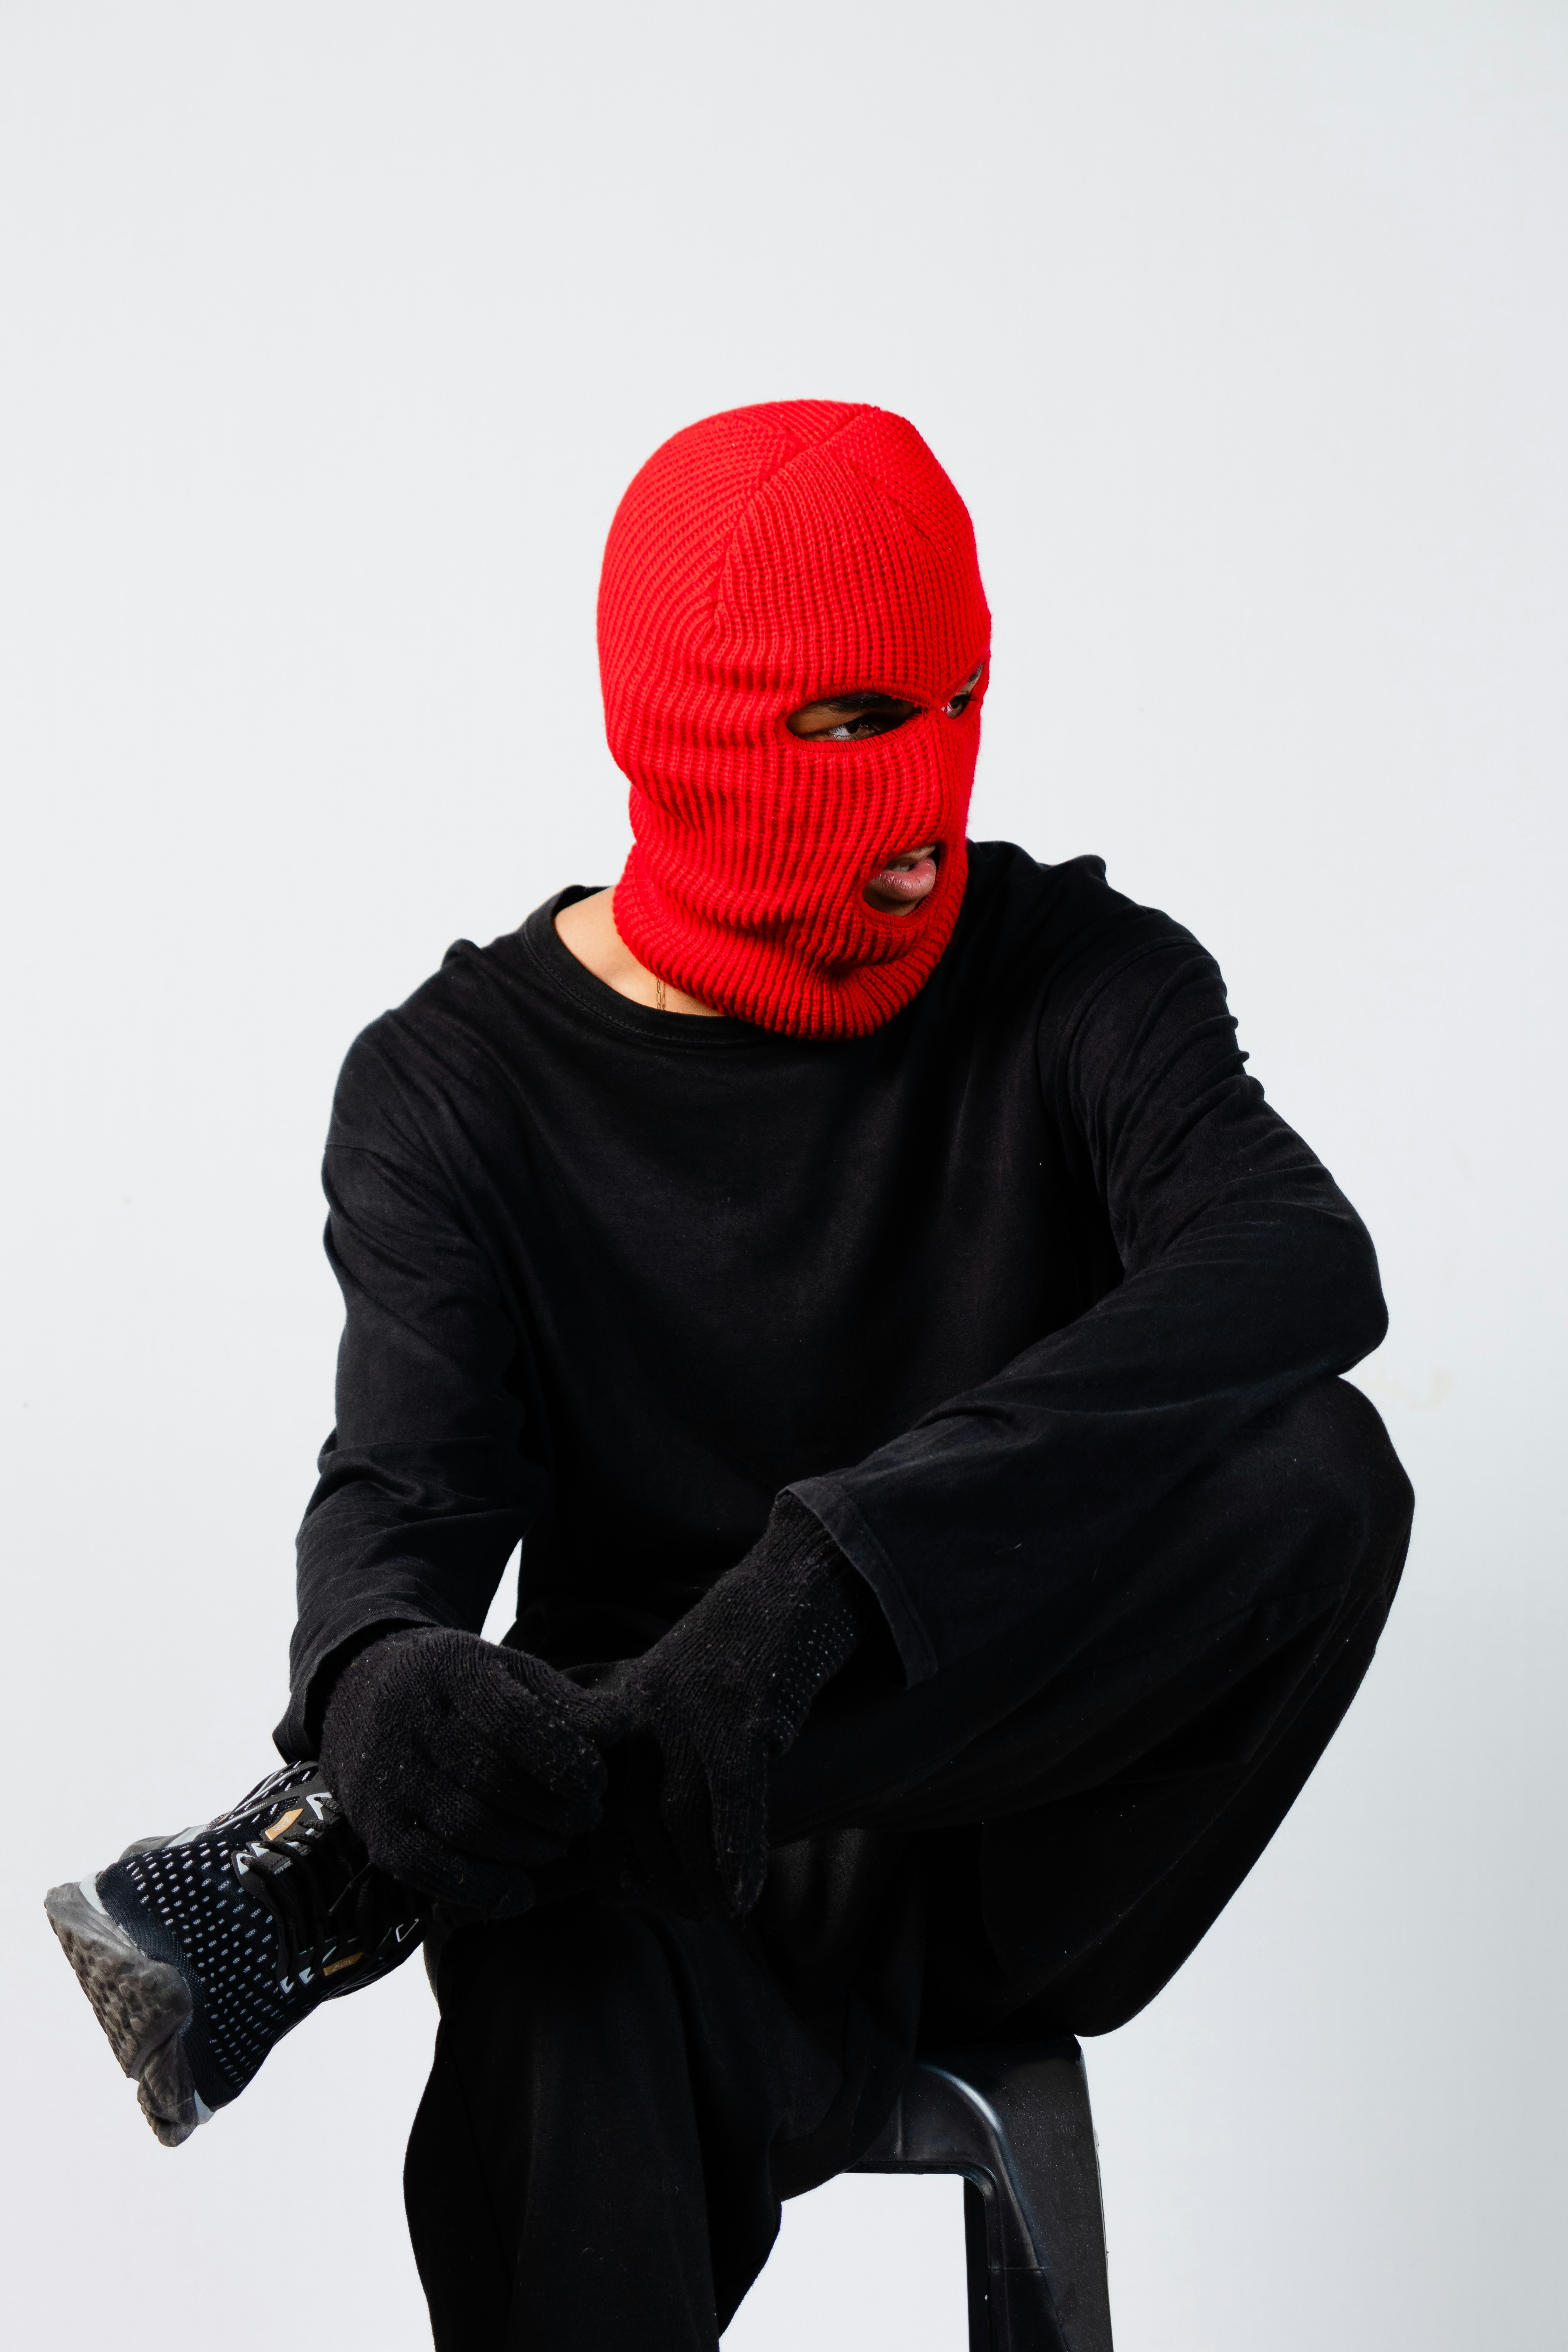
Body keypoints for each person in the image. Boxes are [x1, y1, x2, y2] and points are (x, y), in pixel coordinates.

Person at [46, 399, 1413, 2351]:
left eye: (959, 698)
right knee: (555, 1973)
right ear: (686, 727)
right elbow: (402, 1508)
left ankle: (377, 1866)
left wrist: (807, 1600)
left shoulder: (1078, 976)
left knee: (1315, 1476)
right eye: (853, 726)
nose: (923, 786)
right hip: (646, 1921)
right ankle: (520, 1812)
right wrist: (376, 1684)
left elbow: (1296, 1259)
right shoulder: (454, 1085)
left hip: (1013, 1864)